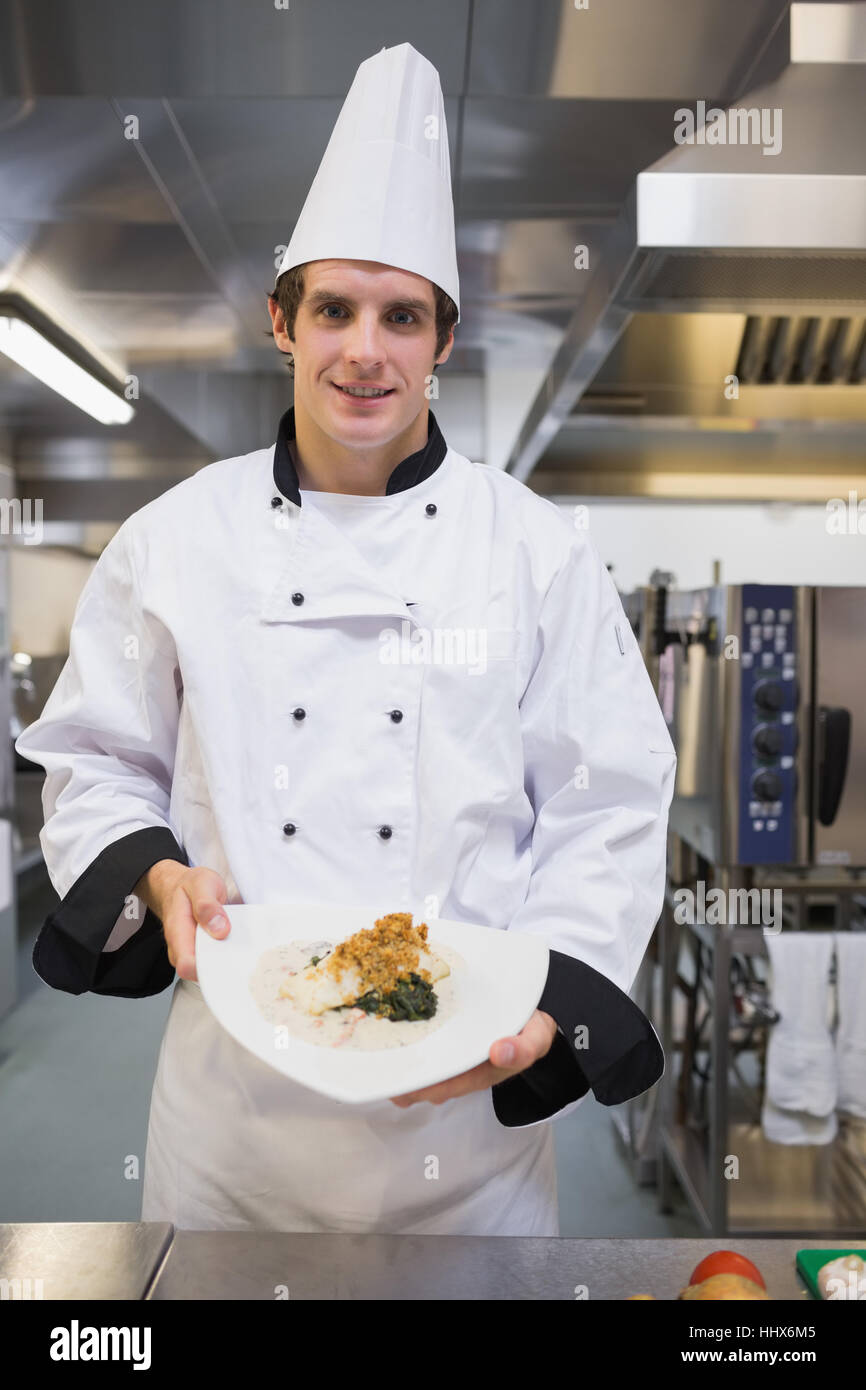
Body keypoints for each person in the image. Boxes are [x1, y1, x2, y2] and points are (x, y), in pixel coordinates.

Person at [15, 43, 677, 1235]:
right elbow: (96, 761)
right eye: (333, 309)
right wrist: (158, 873)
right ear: (282, 321)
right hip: (232, 1132)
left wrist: (547, 1004)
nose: (365, 350)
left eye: (401, 316)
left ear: (442, 341)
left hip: (463, 1135)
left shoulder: (534, 552)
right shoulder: (177, 538)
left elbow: (606, 807)